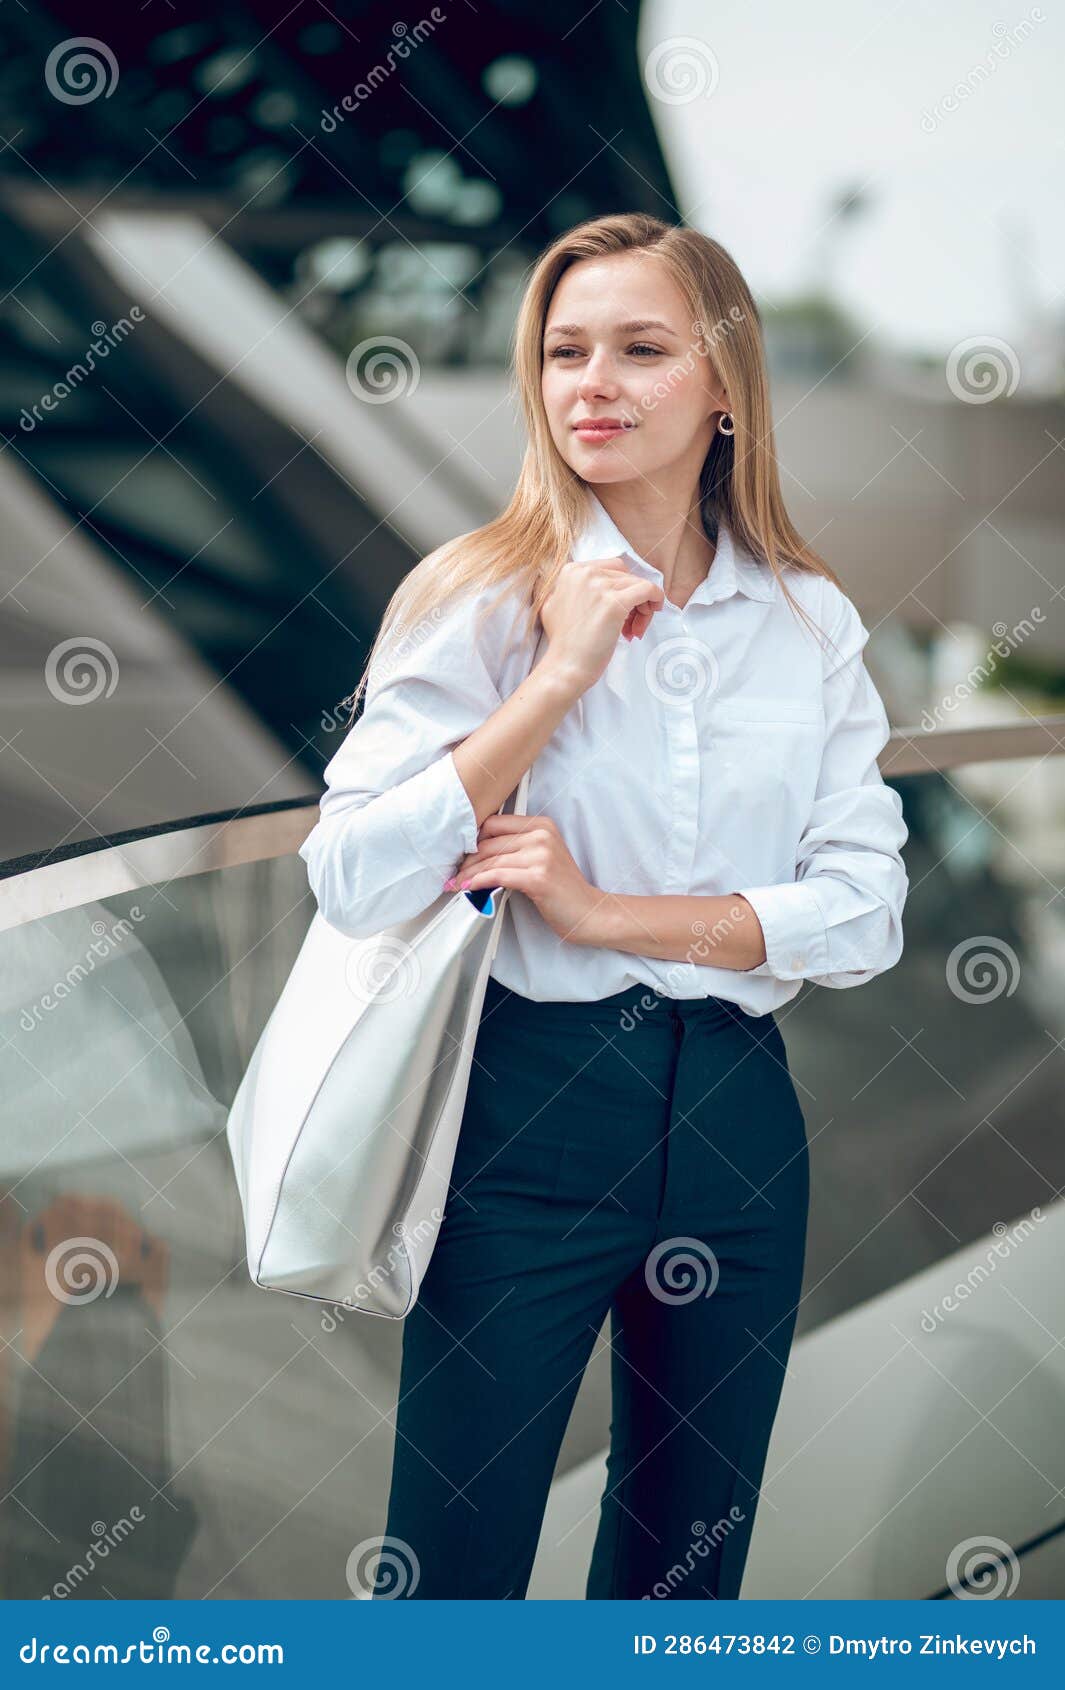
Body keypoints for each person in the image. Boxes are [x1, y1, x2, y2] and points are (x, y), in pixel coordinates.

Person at [298, 212, 909, 1600]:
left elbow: (865, 907)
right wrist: (554, 680)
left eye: (640, 349)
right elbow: (353, 872)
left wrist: (603, 910)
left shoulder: (806, 621)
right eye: (565, 350)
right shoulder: (475, 598)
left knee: (682, 1574)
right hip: (527, 1114)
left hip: (737, 1123)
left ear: (722, 386)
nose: (593, 382)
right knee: (452, 1571)